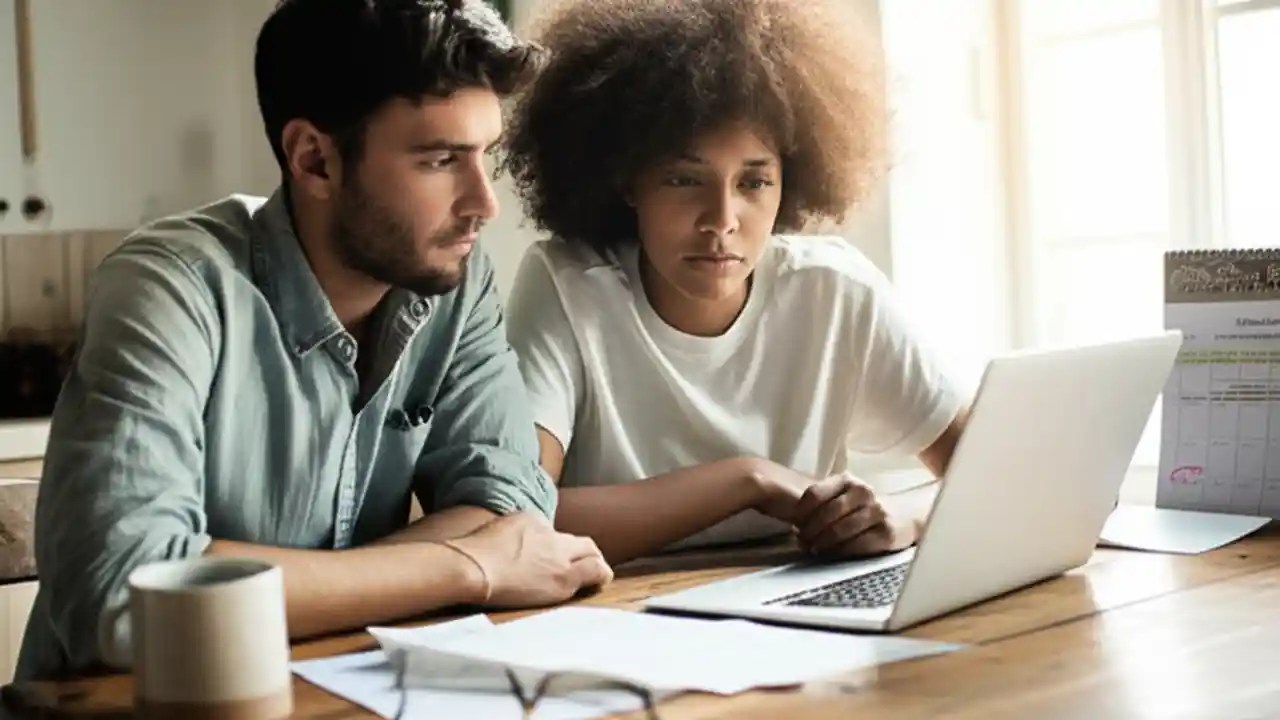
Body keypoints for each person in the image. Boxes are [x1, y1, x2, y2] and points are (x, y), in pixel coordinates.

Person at [18, 0, 611, 681]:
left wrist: (311, 583)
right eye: (442, 159)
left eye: (487, 157)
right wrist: (466, 566)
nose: (484, 202)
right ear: (315, 160)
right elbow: (126, 597)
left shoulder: (454, 280)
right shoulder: (169, 288)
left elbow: (513, 510)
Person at [502, 0, 970, 566]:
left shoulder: (835, 291)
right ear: (628, 180)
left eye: (754, 181)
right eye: (684, 179)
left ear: (790, 182)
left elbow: (988, 468)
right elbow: (518, 517)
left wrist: (908, 517)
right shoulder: (567, 285)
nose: (721, 218)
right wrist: (746, 481)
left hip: (798, 612)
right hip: (617, 615)